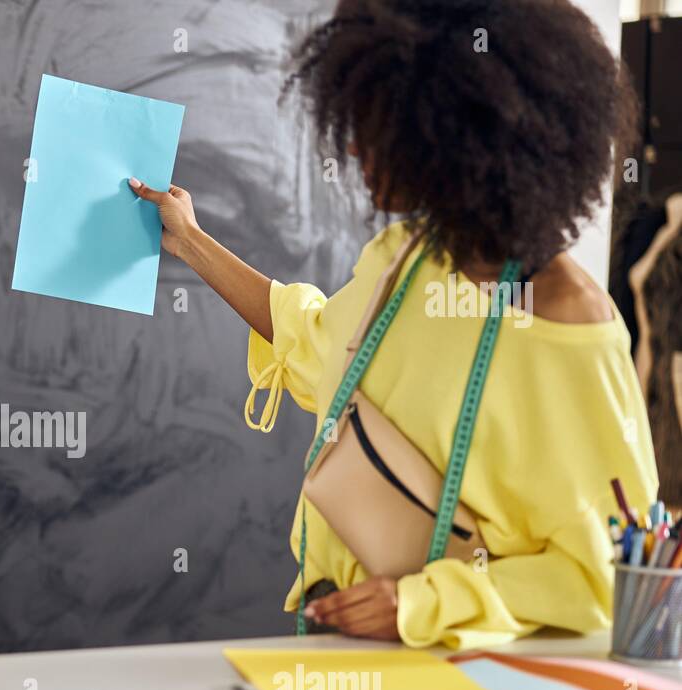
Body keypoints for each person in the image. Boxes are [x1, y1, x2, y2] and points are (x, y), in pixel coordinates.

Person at [130, 0, 657, 647]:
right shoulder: (405, 259)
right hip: (337, 644)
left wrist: (426, 601)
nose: (354, 147)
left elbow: (602, 568)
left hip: (473, 685)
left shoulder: (564, 317)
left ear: (461, 135)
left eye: (380, 129)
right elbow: (317, 347)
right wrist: (191, 242)